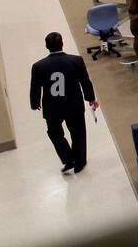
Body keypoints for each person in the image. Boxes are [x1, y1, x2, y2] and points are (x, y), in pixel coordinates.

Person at [29, 32, 98, 174]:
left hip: (52, 107)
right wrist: (90, 98)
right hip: (74, 105)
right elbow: (85, 81)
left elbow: (35, 87)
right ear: (62, 44)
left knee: (54, 133)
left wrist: (35, 103)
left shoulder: (38, 66)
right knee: (78, 132)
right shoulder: (76, 60)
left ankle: (67, 158)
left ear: (47, 46)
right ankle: (79, 162)